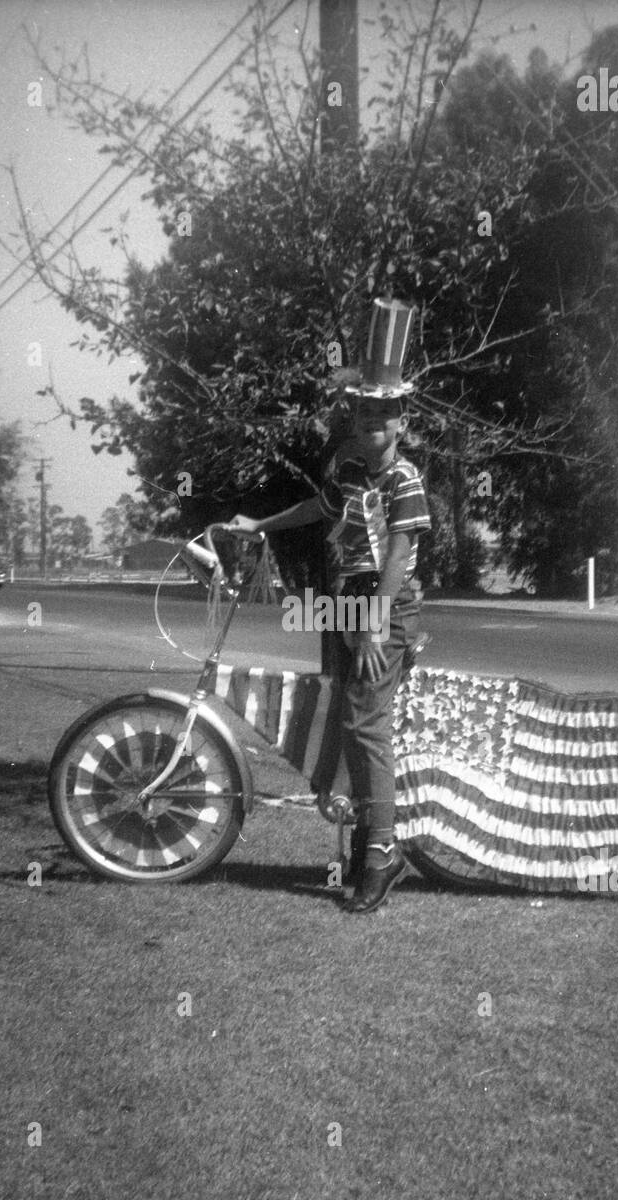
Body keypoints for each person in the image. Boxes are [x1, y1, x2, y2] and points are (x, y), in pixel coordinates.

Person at [227, 298, 430, 913]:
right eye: (364, 409)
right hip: (345, 603)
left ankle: (381, 853)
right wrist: (260, 522)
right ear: (353, 414)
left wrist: (372, 629)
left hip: (384, 611)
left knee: (367, 727)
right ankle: (363, 835)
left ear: (401, 420)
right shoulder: (346, 465)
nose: (374, 419)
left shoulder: (405, 479)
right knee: (345, 716)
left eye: (385, 412)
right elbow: (320, 509)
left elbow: (397, 556)